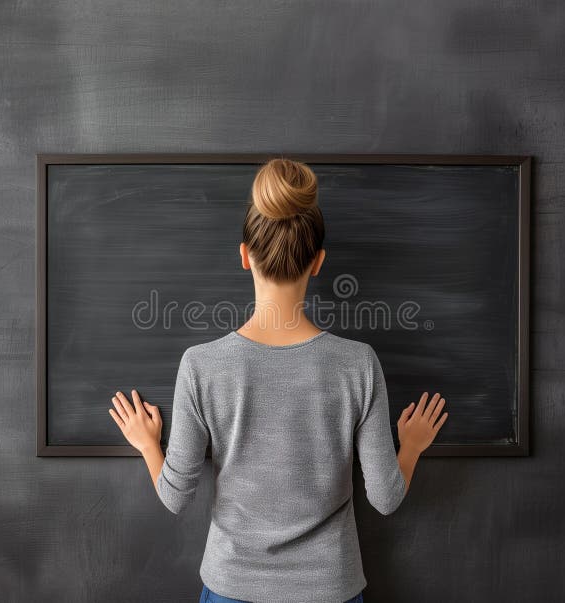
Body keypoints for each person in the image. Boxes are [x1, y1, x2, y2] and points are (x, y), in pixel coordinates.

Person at [108, 157, 449, 603]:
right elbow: (386, 498)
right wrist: (413, 446)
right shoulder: (358, 365)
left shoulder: (201, 366)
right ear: (318, 262)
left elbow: (174, 497)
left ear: (244, 256)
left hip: (232, 588)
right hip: (331, 590)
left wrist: (148, 442)